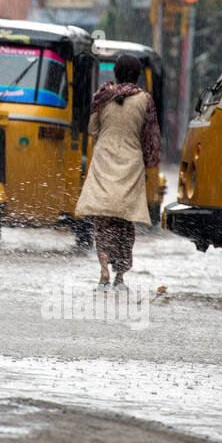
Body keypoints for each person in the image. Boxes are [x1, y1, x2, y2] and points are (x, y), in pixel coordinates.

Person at [75, 52, 161, 288]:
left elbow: (93, 129)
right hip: (131, 165)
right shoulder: (145, 100)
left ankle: (103, 270)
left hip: (104, 161)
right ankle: (120, 277)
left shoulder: (102, 97)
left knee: (102, 221)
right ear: (137, 76)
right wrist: (149, 162)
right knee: (124, 224)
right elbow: (151, 137)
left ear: (115, 73)